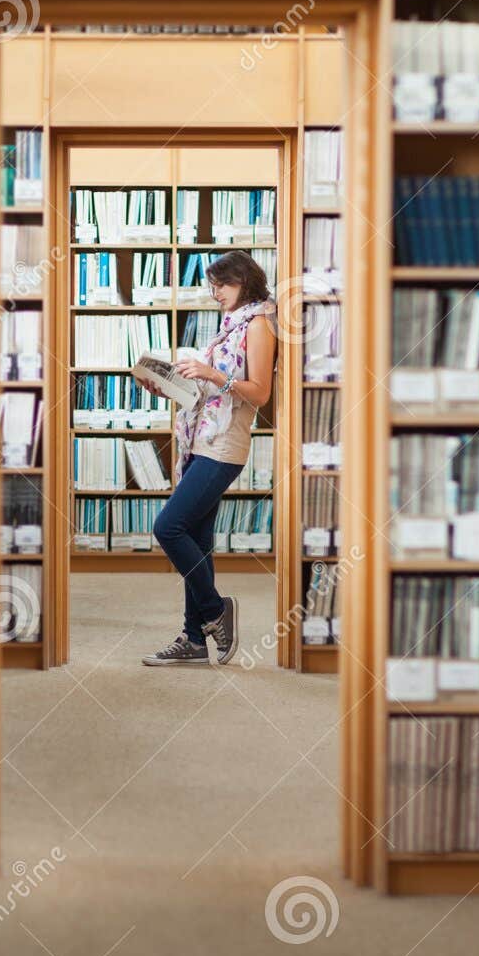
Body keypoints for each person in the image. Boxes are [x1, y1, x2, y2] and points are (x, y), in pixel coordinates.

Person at [142, 250, 277, 666]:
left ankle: (217, 610)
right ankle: (195, 640)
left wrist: (214, 374)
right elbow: (213, 393)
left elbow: (259, 392)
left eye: (222, 284)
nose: (215, 292)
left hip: (224, 446)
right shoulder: (228, 326)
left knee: (168, 527)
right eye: (212, 285)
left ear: (245, 282)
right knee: (197, 542)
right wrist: (170, 387)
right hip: (200, 439)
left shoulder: (258, 325)